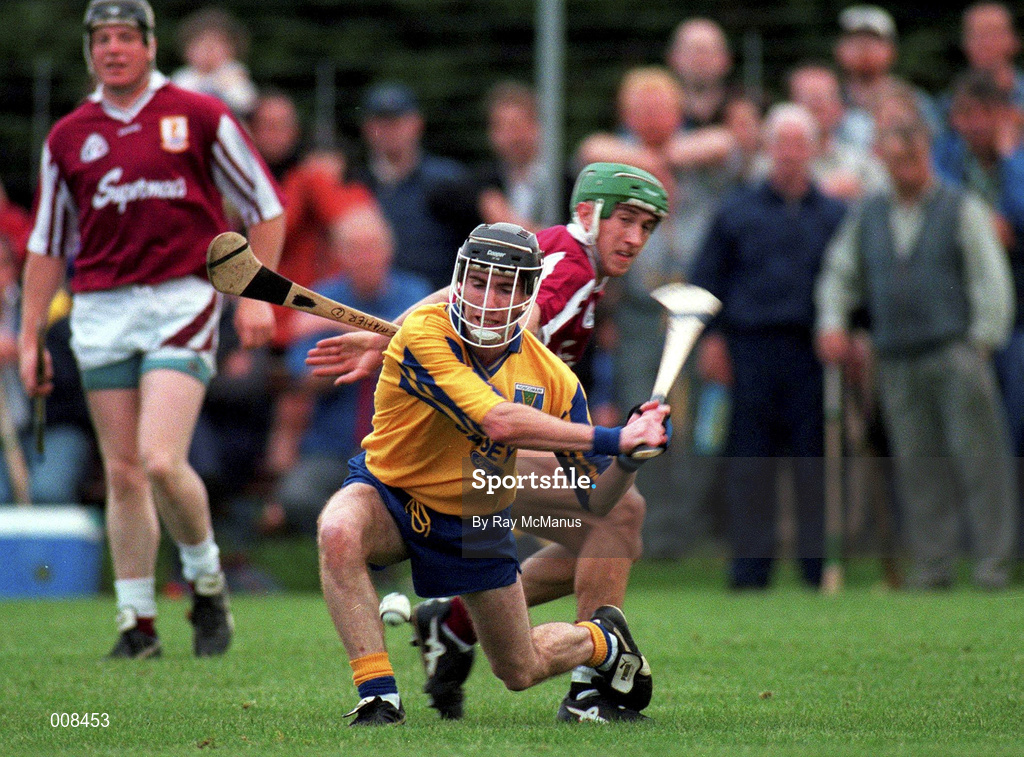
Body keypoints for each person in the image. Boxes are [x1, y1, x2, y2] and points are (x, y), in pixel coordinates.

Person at [307, 163, 670, 722]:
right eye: (625, 220)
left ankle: (474, 622)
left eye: (646, 227)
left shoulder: (548, 260)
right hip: (456, 449)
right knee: (615, 522)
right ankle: (587, 686)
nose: (634, 238)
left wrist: (625, 450)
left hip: (479, 472)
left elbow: (473, 300)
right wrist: (393, 340)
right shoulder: (563, 279)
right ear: (586, 214)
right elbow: (475, 327)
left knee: (607, 518)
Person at [19, 0, 285, 658]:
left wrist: (258, 294)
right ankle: (137, 624)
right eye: (102, 38)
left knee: (163, 460)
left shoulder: (198, 114)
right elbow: (47, 244)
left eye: (125, 37)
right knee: (124, 471)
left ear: (150, 45)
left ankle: (206, 581)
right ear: (90, 51)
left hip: (183, 297)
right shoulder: (68, 136)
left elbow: (265, 205)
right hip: (102, 308)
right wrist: (29, 337)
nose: (113, 49)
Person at [817, 84, 1017, 590]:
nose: (902, 167)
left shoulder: (960, 206)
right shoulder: (869, 214)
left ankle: (993, 565)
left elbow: (990, 278)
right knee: (918, 468)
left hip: (956, 351)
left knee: (979, 462)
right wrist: (832, 322)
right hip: (896, 358)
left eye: (910, 157)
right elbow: (840, 273)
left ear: (926, 152)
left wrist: (982, 343)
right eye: (893, 159)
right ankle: (933, 568)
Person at [689, 104, 848, 590]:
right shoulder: (735, 210)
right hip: (748, 351)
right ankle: (749, 573)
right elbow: (706, 280)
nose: (791, 154)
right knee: (748, 466)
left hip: (811, 354)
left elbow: (851, 288)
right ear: (768, 149)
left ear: (815, 150)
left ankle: (815, 571)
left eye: (801, 144)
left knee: (811, 466)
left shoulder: (836, 216)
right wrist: (712, 340)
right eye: (782, 144)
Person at [261, 210, 431, 536]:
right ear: (340, 256)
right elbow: (306, 380)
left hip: (399, 444)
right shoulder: (323, 296)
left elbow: (421, 357)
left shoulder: (417, 294)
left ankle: (380, 559)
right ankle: (352, 550)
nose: (365, 258)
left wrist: (335, 324)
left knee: (419, 498)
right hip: (331, 446)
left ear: (389, 252)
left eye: (372, 248)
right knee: (295, 497)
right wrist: (343, 362)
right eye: (354, 249)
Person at [934, 70, 1024, 557]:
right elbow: (943, 211)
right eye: (964, 115)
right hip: (961, 321)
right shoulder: (948, 159)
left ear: (1004, 116)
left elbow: (1019, 215)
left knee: (1014, 425)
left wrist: (1011, 158)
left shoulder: (1015, 160)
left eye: (984, 115)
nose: (973, 125)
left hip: (1016, 320)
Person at [355, 82, 477, 290]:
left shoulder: (448, 180)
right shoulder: (354, 183)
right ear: (367, 128)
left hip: (437, 305)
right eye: (381, 123)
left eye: (396, 121)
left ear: (417, 123)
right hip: (371, 307)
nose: (389, 131)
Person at [474, 80, 573, 231]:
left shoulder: (565, 179)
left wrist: (507, 223)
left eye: (516, 126)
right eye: (500, 127)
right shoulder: (483, 184)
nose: (510, 137)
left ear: (537, 126)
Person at [171, 7, 257, 118]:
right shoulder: (183, 77)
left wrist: (225, 84)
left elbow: (246, 103)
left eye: (215, 46)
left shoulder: (234, 73)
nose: (208, 52)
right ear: (187, 51)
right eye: (200, 45)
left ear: (232, 49)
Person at [665, 18, 734, 129]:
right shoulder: (654, 112)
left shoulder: (750, 109)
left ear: (726, 59)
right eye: (691, 51)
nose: (700, 60)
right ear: (673, 58)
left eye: (708, 52)